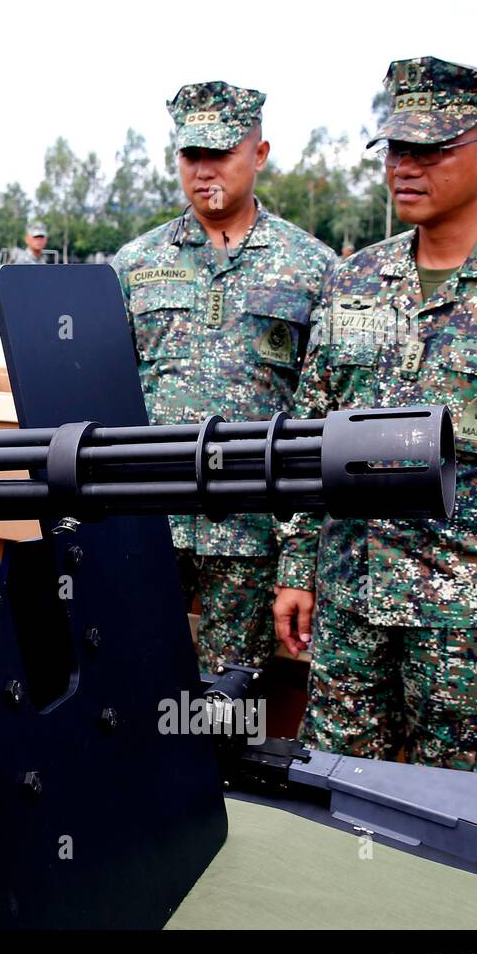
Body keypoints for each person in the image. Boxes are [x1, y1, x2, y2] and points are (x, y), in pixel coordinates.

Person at [273, 57, 477, 775]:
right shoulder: (355, 279)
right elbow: (311, 433)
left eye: (431, 149)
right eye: (396, 149)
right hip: (351, 599)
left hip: (468, 620)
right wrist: (296, 568)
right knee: (333, 793)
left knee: (456, 815)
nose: (405, 167)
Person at [111, 81, 335, 675]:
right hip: (149, 518)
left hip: (253, 532)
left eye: (221, 154)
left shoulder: (312, 267)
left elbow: (323, 417)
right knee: (130, 681)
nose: (204, 170)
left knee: (230, 703)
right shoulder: (133, 264)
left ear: (258, 154)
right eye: (191, 156)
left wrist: (298, 561)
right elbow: (105, 392)